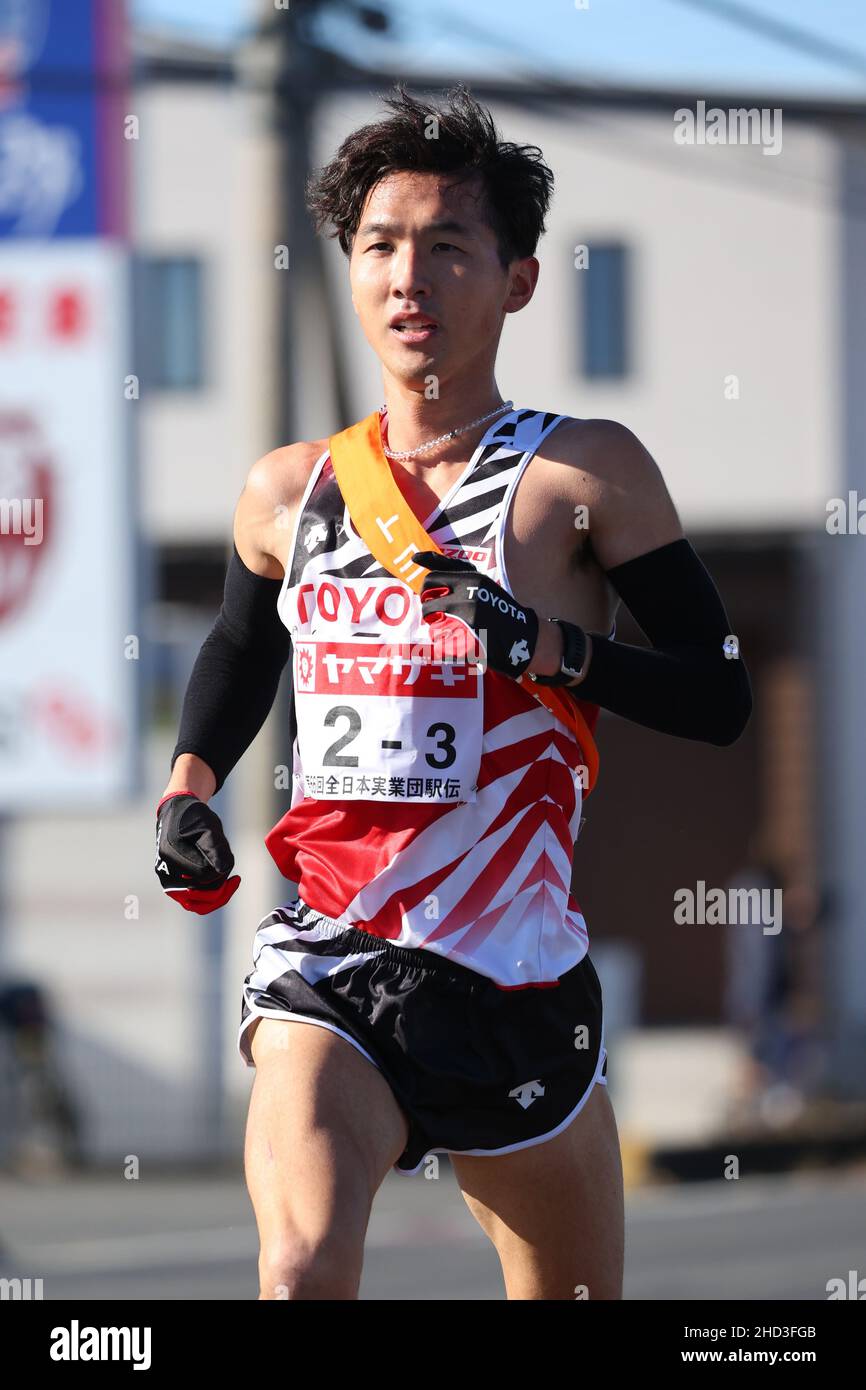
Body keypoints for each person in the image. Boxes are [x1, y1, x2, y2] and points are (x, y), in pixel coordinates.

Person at [154, 84, 752, 1301]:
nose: (406, 278)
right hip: (331, 957)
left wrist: (549, 650)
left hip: (515, 981)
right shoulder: (289, 490)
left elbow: (718, 694)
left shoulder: (584, 473)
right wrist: (188, 783)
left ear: (517, 280)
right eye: (378, 246)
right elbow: (238, 646)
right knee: (303, 1263)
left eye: (445, 246)